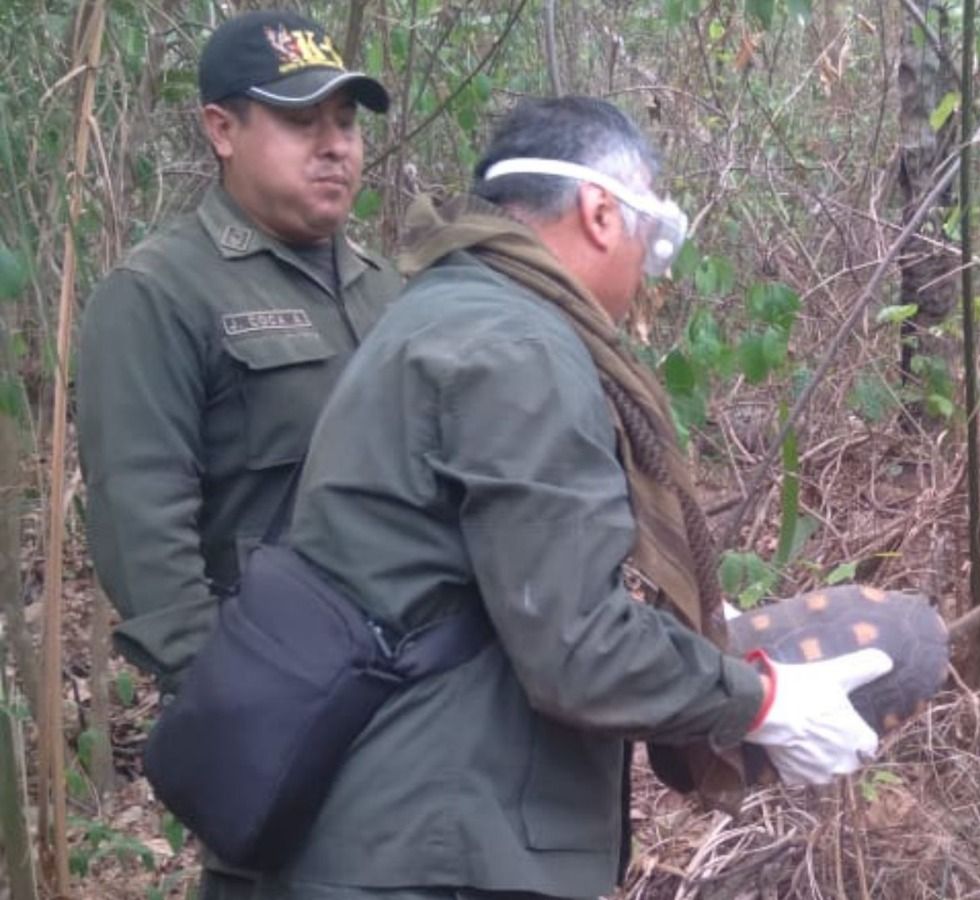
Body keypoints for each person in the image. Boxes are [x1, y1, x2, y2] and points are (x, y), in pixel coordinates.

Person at [200, 97, 892, 900]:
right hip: (434, 849)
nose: (647, 277)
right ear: (600, 213)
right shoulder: (520, 348)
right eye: (652, 242)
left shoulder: (439, 312)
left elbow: (480, 579)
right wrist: (764, 702)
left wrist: (696, 638)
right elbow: (575, 647)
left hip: (386, 822)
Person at [76, 10, 401, 689]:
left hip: (409, 683)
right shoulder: (159, 291)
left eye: (345, 122)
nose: (334, 147)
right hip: (277, 688)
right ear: (222, 130)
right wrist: (227, 694)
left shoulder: (386, 288)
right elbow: (142, 528)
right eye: (301, 121)